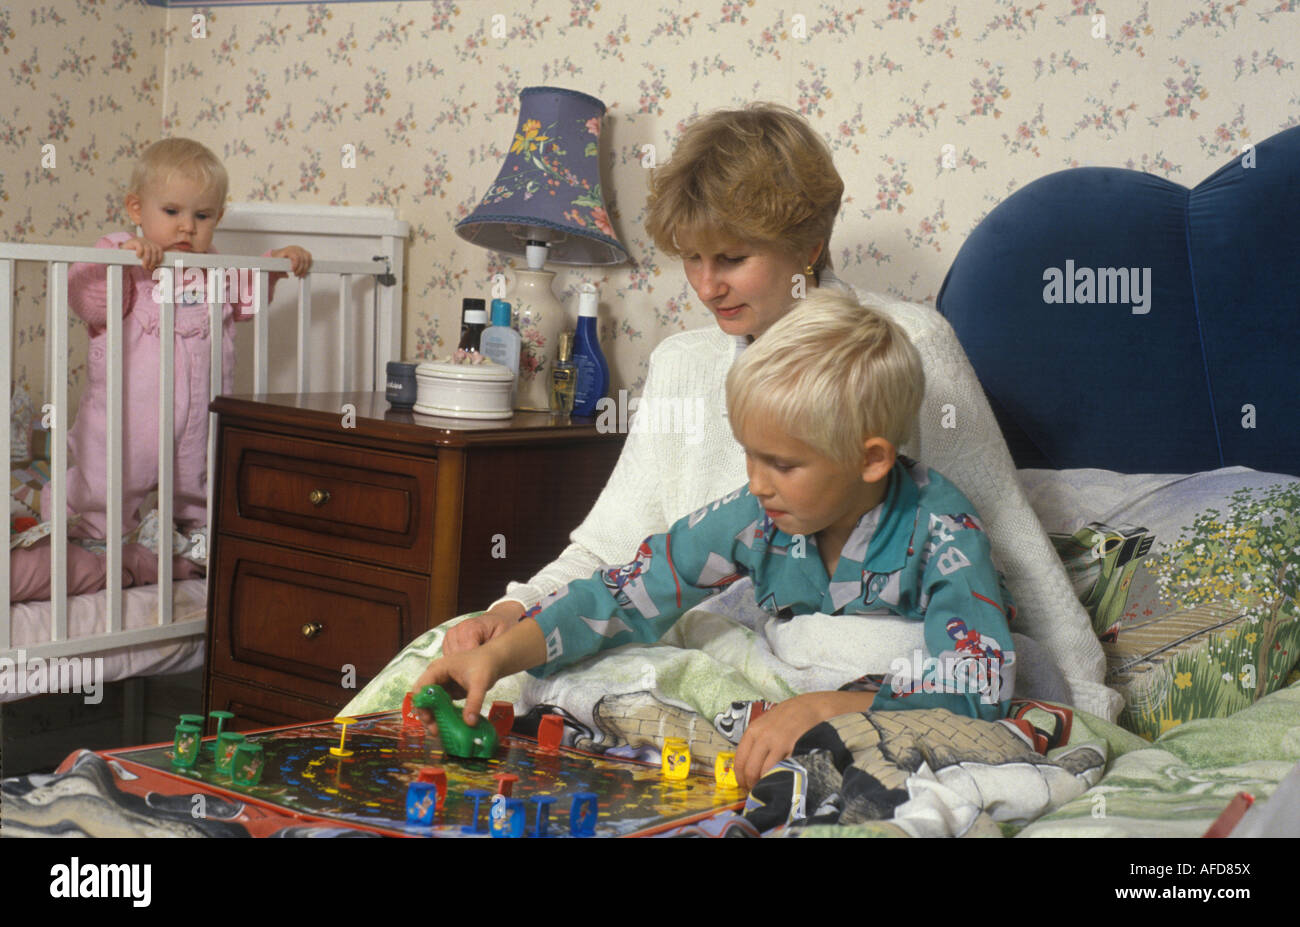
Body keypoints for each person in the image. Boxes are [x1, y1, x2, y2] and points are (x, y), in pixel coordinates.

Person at [343, 103, 1115, 729]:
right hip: (707, 661)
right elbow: (617, 558)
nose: (708, 286)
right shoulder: (688, 369)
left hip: (883, 684)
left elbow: (1009, 540)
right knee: (442, 675)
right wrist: (507, 620)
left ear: (807, 244)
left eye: (733, 257)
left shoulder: (905, 350)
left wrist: (1094, 707)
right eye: (692, 257)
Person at [412, 291, 1017, 789]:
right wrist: (498, 655)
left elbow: (976, 683)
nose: (756, 482)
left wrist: (823, 706)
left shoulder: (943, 530)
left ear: (871, 460)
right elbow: (626, 593)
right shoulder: (757, 513)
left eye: (782, 463)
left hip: (880, 695)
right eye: (749, 454)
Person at [42, 138, 311, 540]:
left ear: (217, 217)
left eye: (202, 215)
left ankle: (197, 537)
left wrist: (270, 269)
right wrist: (121, 261)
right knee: (109, 481)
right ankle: (84, 526)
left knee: (197, 480)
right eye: (172, 212)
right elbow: (90, 303)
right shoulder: (121, 254)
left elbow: (245, 305)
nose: (188, 226)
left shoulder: (213, 268)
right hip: (126, 418)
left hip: (198, 416)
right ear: (136, 209)